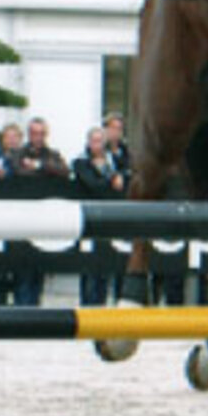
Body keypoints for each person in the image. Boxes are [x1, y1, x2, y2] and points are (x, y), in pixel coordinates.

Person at [5, 118, 66, 305]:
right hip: (21, 219)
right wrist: (44, 173)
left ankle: (35, 308)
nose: (38, 137)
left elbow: (63, 171)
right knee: (21, 271)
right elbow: (17, 170)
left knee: (39, 270)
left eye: (41, 133)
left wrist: (39, 167)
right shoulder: (18, 153)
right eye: (34, 133)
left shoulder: (52, 154)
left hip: (44, 221)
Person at [71, 126, 126, 306]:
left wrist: (120, 177)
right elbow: (92, 184)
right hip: (89, 221)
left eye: (101, 141)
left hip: (113, 220)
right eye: (94, 141)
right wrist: (112, 179)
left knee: (111, 267)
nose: (98, 145)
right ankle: (88, 305)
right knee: (89, 269)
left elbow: (128, 175)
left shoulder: (114, 160)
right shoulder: (80, 162)